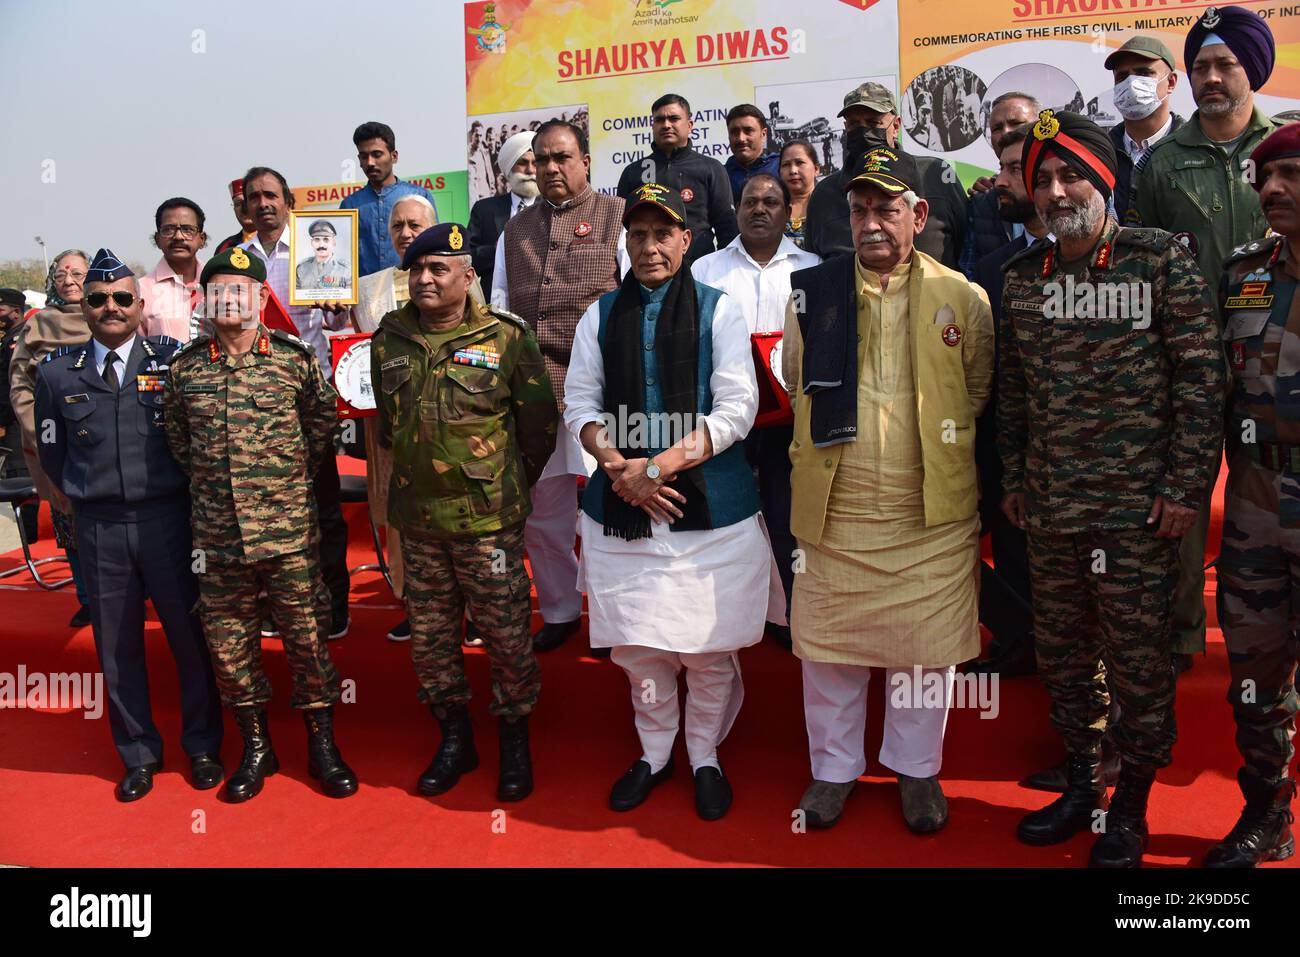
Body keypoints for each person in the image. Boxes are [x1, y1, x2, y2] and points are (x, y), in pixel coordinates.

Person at [1001, 110, 1224, 867]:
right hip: (1053, 509)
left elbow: (1202, 379)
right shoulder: (1021, 281)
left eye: (1072, 176)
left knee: (1139, 661)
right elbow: (1013, 393)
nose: (1058, 191)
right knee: (1064, 658)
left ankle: (1131, 805)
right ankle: (1082, 785)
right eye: (1045, 181)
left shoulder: (1159, 262)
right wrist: (1014, 482)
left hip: (1138, 516)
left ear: (1103, 180)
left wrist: (1186, 484)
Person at [785, 145, 994, 833]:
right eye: (860, 208)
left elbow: (978, 390)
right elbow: (795, 385)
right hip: (837, 507)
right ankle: (833, 770)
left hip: (926, 510)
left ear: (919, 214)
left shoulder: (963, 297)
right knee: (831, 654)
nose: (872, 221)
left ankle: (916, 769)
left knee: (923, 652)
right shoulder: (811, 295)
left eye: (887, 208)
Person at [565, 183, 774, 821]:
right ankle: (656, 752)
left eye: (663, 234)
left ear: (686, 240)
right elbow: (581, 405)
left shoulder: (720, 309)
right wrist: (618, 467)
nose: (650, 247)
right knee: (638, 647)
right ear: (624, 241)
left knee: (708, 648)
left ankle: (704, 753)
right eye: (638, 235)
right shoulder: (599, 314)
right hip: (622, 501)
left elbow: (739, 408)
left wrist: (656, 467)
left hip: (710, 503)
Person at [371, 222, 558, 802]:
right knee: (430, 640)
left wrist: (499, 485)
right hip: (419, 522)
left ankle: (514, 737)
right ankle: (455, 737)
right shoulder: (389, 338)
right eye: (416, 270)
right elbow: (386, 421)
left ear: (468, 277)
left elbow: (538, 426)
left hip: (487, 525)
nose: (424, 279)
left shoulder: (506, 339)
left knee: (504, 636)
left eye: (438, 269)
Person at [164, 246, 356, 803]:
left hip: (289, 534)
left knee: (307, 639)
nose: (229, 298)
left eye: (240, 289)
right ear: (204, 300)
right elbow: (181, 445)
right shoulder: (185, 370)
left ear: (261, 298)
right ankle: (255, 745)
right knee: (229, 645)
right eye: (218, 288)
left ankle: (322, 746)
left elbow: (319, 431)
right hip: (218, 540)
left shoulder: (294, 363)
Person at [34, 248, 223, 802]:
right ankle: (138, 754)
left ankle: (203, 745)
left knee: (190, 640)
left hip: (169, 521)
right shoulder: (55, 373)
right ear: (84, 308)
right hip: (100, 527)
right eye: (98, 299)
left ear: (141, 305)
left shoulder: (174, 361)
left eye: (121, 298)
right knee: (116, 648)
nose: (110, 307)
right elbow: (51, 454)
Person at [1128, 6, 1280, 673]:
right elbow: (1140, 273)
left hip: (1277, 370)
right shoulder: (1162, 165)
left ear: (1255, 69)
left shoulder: (1288, 152)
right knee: (1177, 508)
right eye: (1200, 67)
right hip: (1185, 368)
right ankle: (1179, 638)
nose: (1210, 78)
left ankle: (1269, 639)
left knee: (1273, 507)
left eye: (1224, 64)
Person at [492, 120, 630, 653]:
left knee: (610, 504)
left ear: (585, 162)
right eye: (541, 159)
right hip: (535, 393)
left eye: (562, 158)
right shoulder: (514, 231)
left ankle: (614, 619)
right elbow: (500, 305)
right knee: (543, 514)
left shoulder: (618, 217)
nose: (550, 168)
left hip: (604, 389)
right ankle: (560, 610)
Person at [1208, 123, 1300, 867]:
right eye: (1266, 178)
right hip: (1256, 507)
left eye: (1292, 175)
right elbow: (1210, 389)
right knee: (1254, 669)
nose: (1274, 191)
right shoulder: (1245, 274)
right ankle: (1267, 810)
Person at [692, 173, 820, 645]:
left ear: (789, 212)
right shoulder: (704, 270)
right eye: (750, 201)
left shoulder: (812, 267)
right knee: (730, 521)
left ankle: (789, 618)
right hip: (726, 422)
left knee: (787, 523)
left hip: (791, 423)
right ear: (737, 209)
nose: (759, 209)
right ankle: (731, 619)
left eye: (771, 202)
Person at [239, 167, 352, 639]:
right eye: (254, 197)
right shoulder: (235, 260)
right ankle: (277, 606)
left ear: (287, 201)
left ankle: (334, 606)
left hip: (310, 397)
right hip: (256, 402)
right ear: (245, 207)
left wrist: (338, 310)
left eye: (271, 195)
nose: (263, 203)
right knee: (266, 508)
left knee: (322, 506)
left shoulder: (318, 249)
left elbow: (342, 324)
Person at [967, 123, 1043, 681]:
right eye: (1002, 168)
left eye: (1016, 168)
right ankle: (1020, 640)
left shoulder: (1119, 263)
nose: (1002, 180)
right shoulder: (992, 273)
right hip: (1004, 453)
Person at [353, 194, 438, 643]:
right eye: (398, 226)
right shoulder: (368, 287)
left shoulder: (463, 276)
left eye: (415, 224)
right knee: (398, 513)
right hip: (388, 424)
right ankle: (410, 600)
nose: (407, 233)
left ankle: (468, 606)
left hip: (450, 422)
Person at [9, 249, 93, 625]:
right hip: (55, 441)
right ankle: (88, 597)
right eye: (61, 274)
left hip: (106, 438)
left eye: (78, 272)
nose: (70, 280)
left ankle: (129, 592)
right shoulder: (39, 325)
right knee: (69, 520)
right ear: (52, 282)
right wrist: (40, 430)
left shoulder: (110, 312)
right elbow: (20, 385)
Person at [803, 82, 968, 270]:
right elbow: (814, 267)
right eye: (854, 124)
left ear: (895, 126)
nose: (864, 132)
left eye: (874, 123)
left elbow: (967, 250)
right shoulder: (825, 194)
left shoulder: (936, 176)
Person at [616, 93, 738, 267]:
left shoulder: (711, 168)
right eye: (659, 120)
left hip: (698, 270)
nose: (666, 125)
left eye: (674, 118)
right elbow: (621, 233)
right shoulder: (633, 172)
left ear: (689, 125)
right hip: (649, 269)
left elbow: (727, 229)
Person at [958, 92, 1040, 278]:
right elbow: (970, 276)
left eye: (1016, 124)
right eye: (997, 128)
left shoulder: (1078, 194)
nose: (1007, 132)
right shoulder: (982, 202)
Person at [340, 121, 436, 278]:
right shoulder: (350, 205)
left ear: (394, 156)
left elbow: (433, 246)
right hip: (366, 295)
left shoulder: (419, 197)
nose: (370, 162)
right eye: (364, 157)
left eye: (377, 155)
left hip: (412, 289)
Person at [1104, 36, 1185, 225]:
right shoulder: (1102, 153)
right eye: (1122, 76)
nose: (1131, 83)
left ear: (1171, 82)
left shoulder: (1195, 148)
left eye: (1143, 73)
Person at [468, 130, 536, 295]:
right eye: (523, 162)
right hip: (495, 305)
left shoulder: (552, 209)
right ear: (509, 169)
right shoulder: (484, 209)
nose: (530, 170)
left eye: (536, 163)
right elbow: (468, 257)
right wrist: (500, 249)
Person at [139, 197, 206, 341]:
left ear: (202, 239)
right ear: (157, 239)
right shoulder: (141, 290)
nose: (178, 236)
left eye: (188, 230)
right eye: (168, 230)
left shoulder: (220, 284)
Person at [724, 103, 781, 204]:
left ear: (763, 134)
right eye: (734, 132)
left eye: (748, 130)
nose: (741, 138)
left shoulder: (781, 167)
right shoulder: (720, 175)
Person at [779, 139, 821, 249]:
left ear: (816, 169)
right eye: (786, 165)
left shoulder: (829, 206)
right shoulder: (772, 208)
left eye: (799, 163)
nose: (793, 170)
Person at [294, 219, 352, 293]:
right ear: (312, 242)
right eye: (317, 240)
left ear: (333, 242)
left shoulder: (346, 270)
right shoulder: (301, 269)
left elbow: (349, 298)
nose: (321, 245)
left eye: (326, 240)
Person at [215, 179, 257, 255]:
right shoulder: (225, 247)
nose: (244, 209)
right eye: (238, 203)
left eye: (248, 201)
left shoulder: (279, 240)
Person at [468, 122, 495, 204]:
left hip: (485, 194)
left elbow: (489, 172)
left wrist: (492, 189)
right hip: (472, 197)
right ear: (472, 135)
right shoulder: (465, 153)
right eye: (477, 135)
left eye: (481, 136)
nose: (479, 139)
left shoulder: (485, 153)